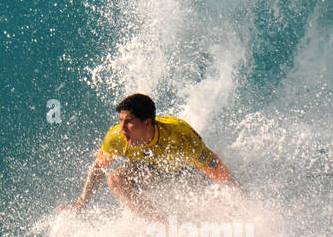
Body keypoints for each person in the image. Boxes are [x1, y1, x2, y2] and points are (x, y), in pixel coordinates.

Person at [60, 93, 238, 218]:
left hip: (188, 172)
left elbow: (218, 170)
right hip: (152, 171)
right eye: (121, 121)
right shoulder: (116, 138)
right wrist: (81, 203)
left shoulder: (180, 138)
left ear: (147, 123)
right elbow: (99, 169)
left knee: (212, 199)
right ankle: (166, 226)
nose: (122, 129)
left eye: (128, 122)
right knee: (116, 179)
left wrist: (244, 199)